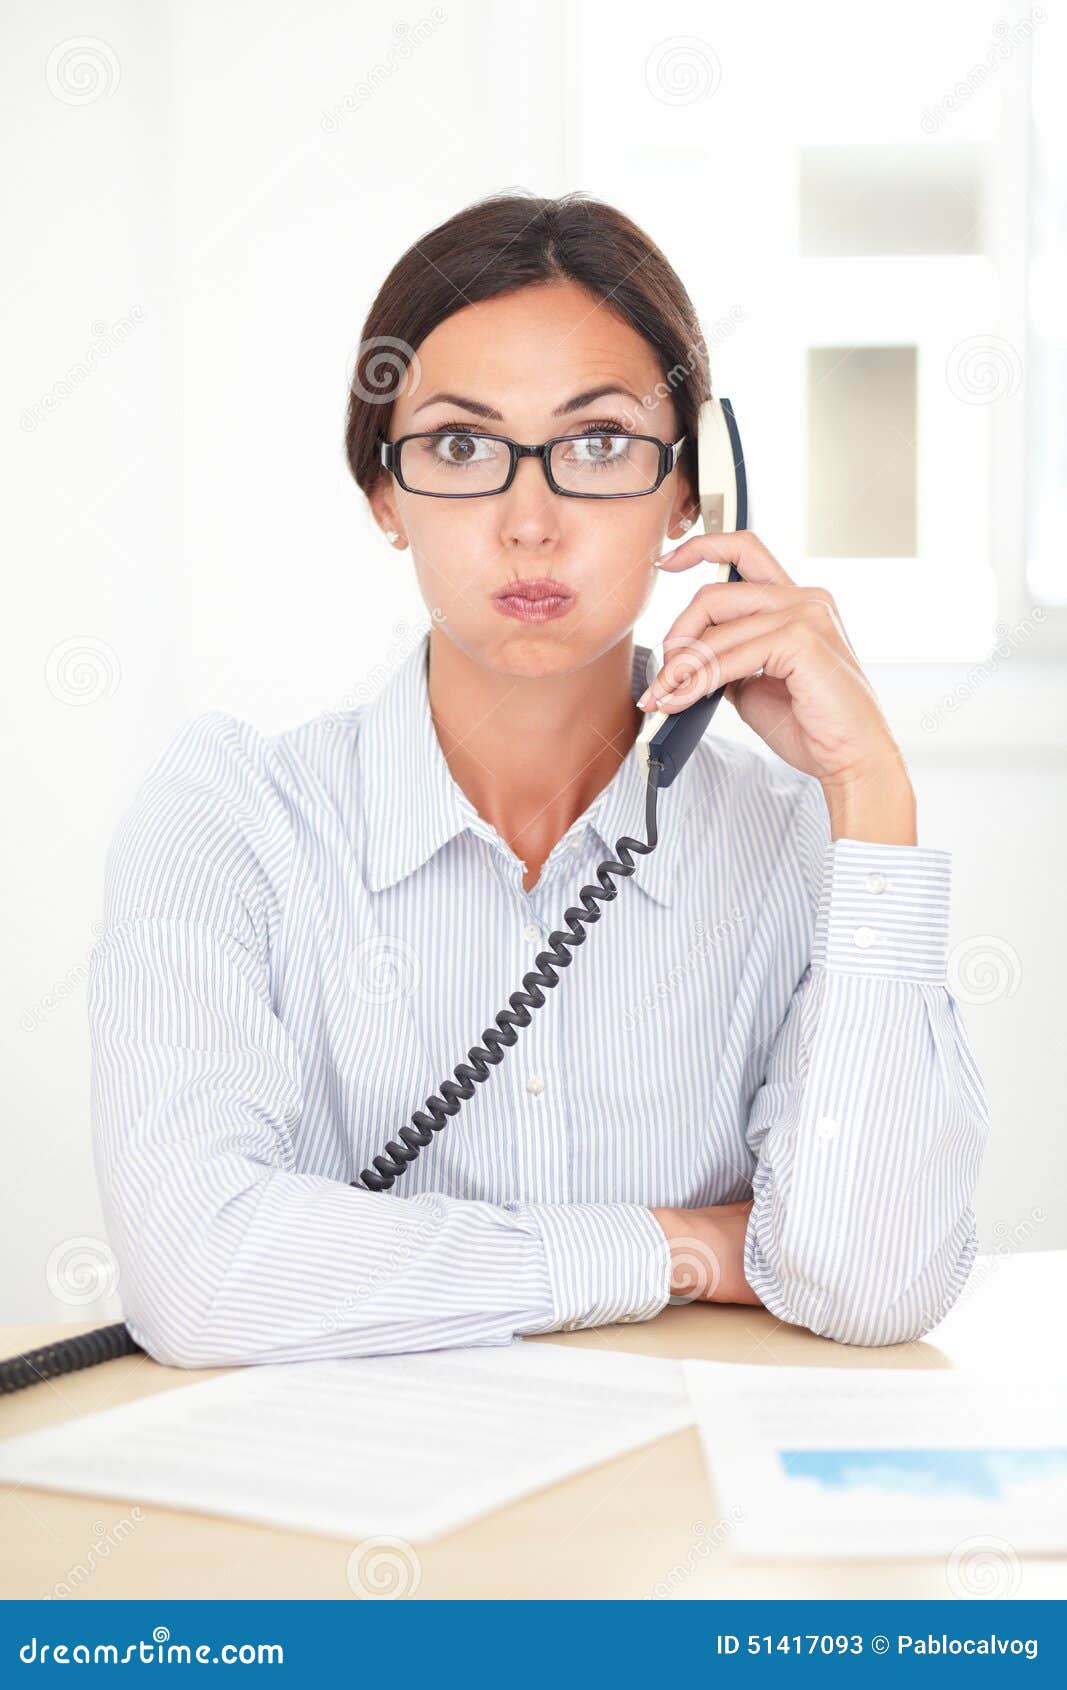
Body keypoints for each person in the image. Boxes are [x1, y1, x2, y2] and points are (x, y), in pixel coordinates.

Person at [88, 191, 987, 1367]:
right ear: (382, 493)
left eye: (598, 443)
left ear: (693, 486)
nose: (529, 519)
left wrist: (869, 794)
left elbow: (869, 1284)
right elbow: (196, 1277)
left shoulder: (791, 845)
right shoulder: (229, 819)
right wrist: (670, 1248)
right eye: (459, 446)